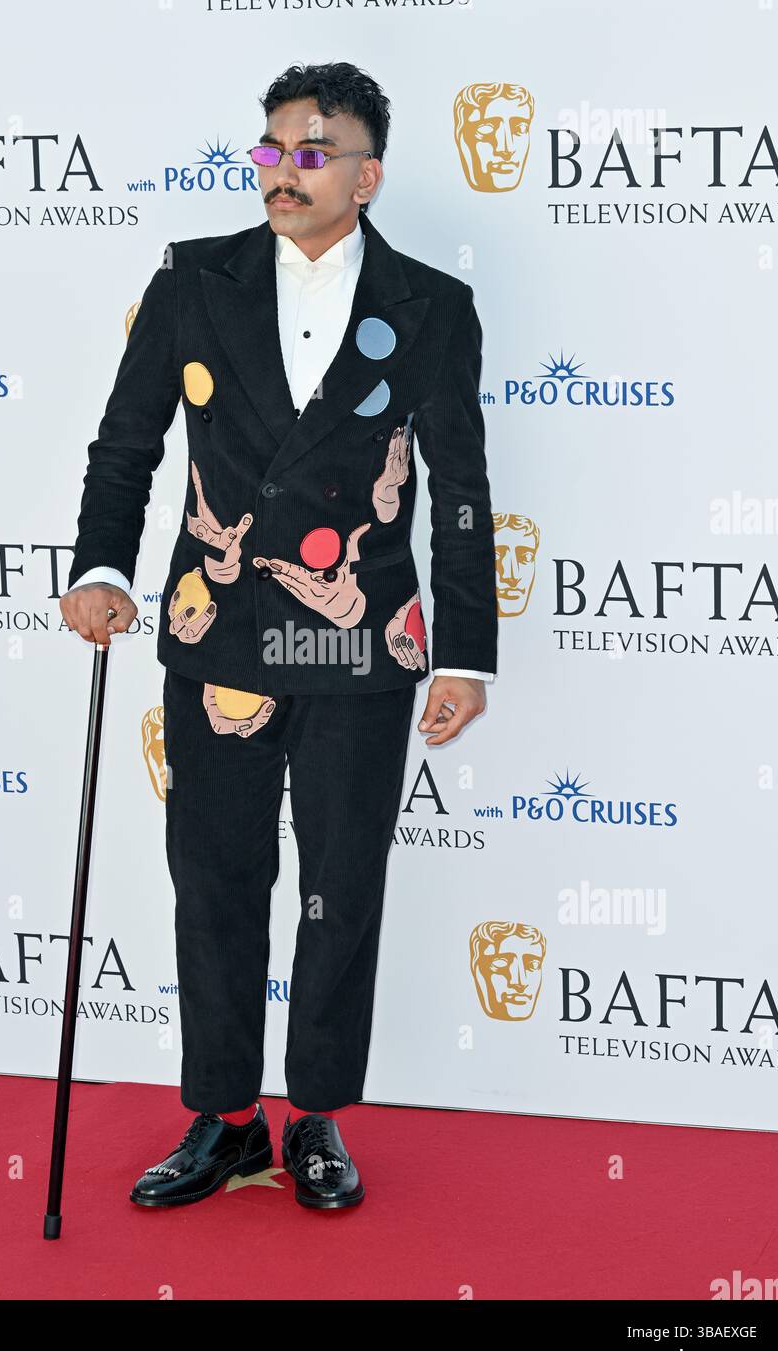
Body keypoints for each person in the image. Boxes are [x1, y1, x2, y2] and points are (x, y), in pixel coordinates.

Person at [59, 61, 498, 1210]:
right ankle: (225, 1117)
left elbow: (458, 490)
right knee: (213, 878)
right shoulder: (191, 281)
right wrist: (101, 566)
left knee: (341, 883)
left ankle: (313, 1119)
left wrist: (463, 653)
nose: (284, 169)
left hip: (361, 651)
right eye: (271, 148)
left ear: (367, 174)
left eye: (313, 150)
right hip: (218, 640)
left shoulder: (431, 308)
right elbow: (124, 445)